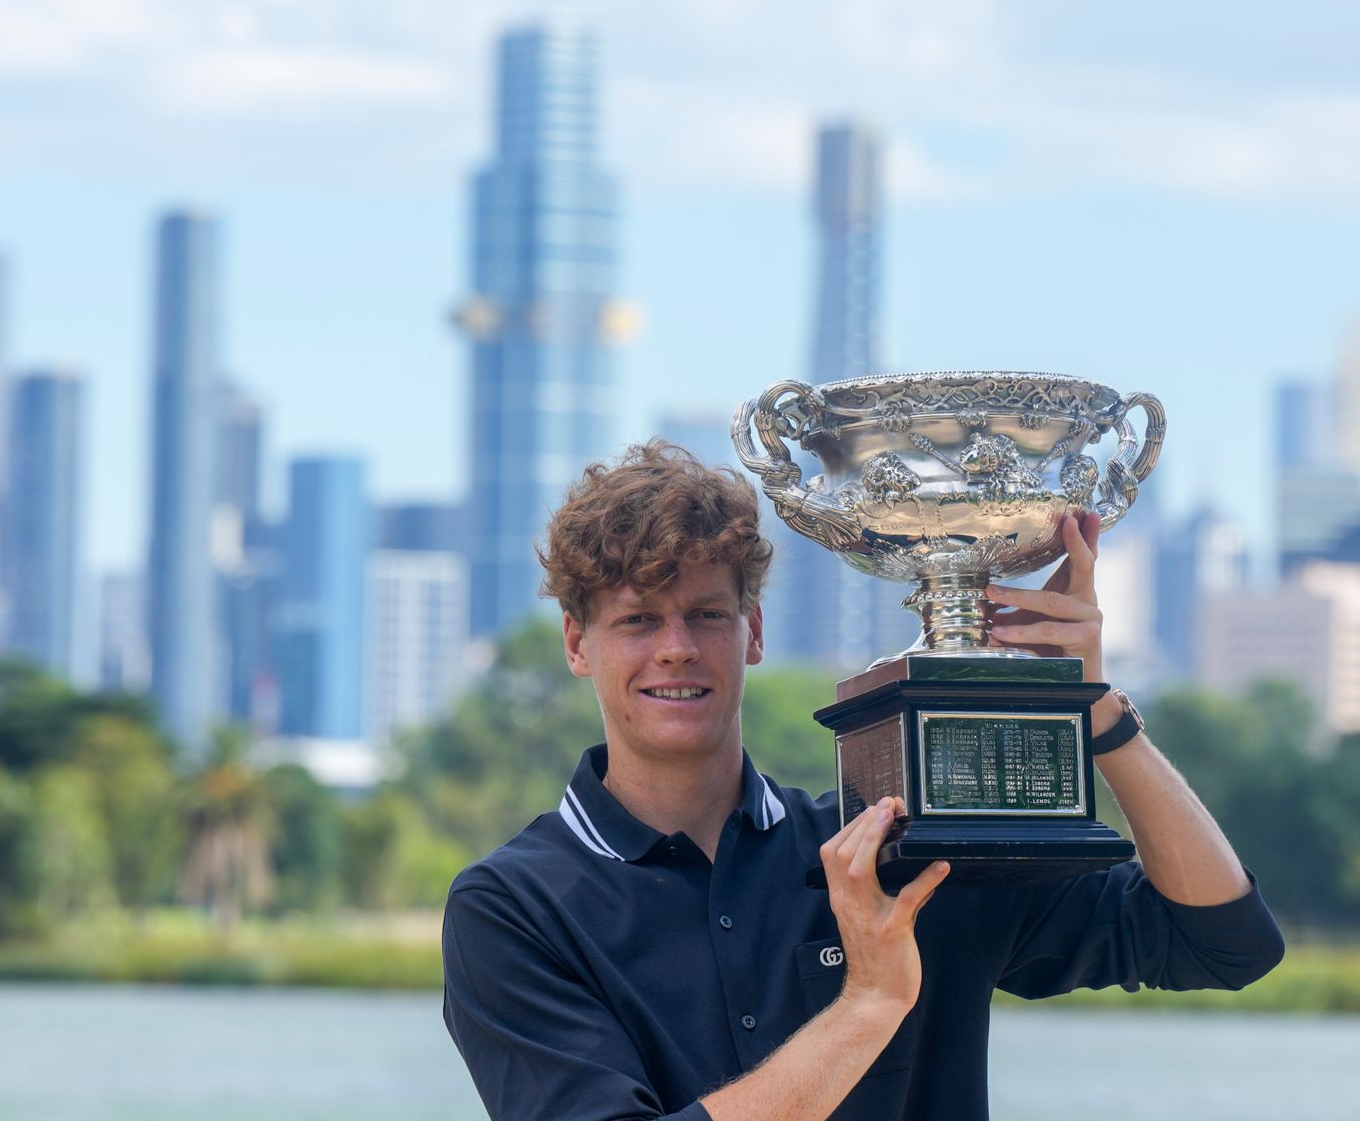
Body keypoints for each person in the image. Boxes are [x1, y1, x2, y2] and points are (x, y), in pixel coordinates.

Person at [442, 442, 1283, 1121]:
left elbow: (1225, 941)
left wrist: (1094, 711)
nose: (676, 648)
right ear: (578, 645)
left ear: (754, 632)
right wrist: (869, 1003)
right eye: (636, 620)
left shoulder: (895, 853)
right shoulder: (514, 907)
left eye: (707, 614)